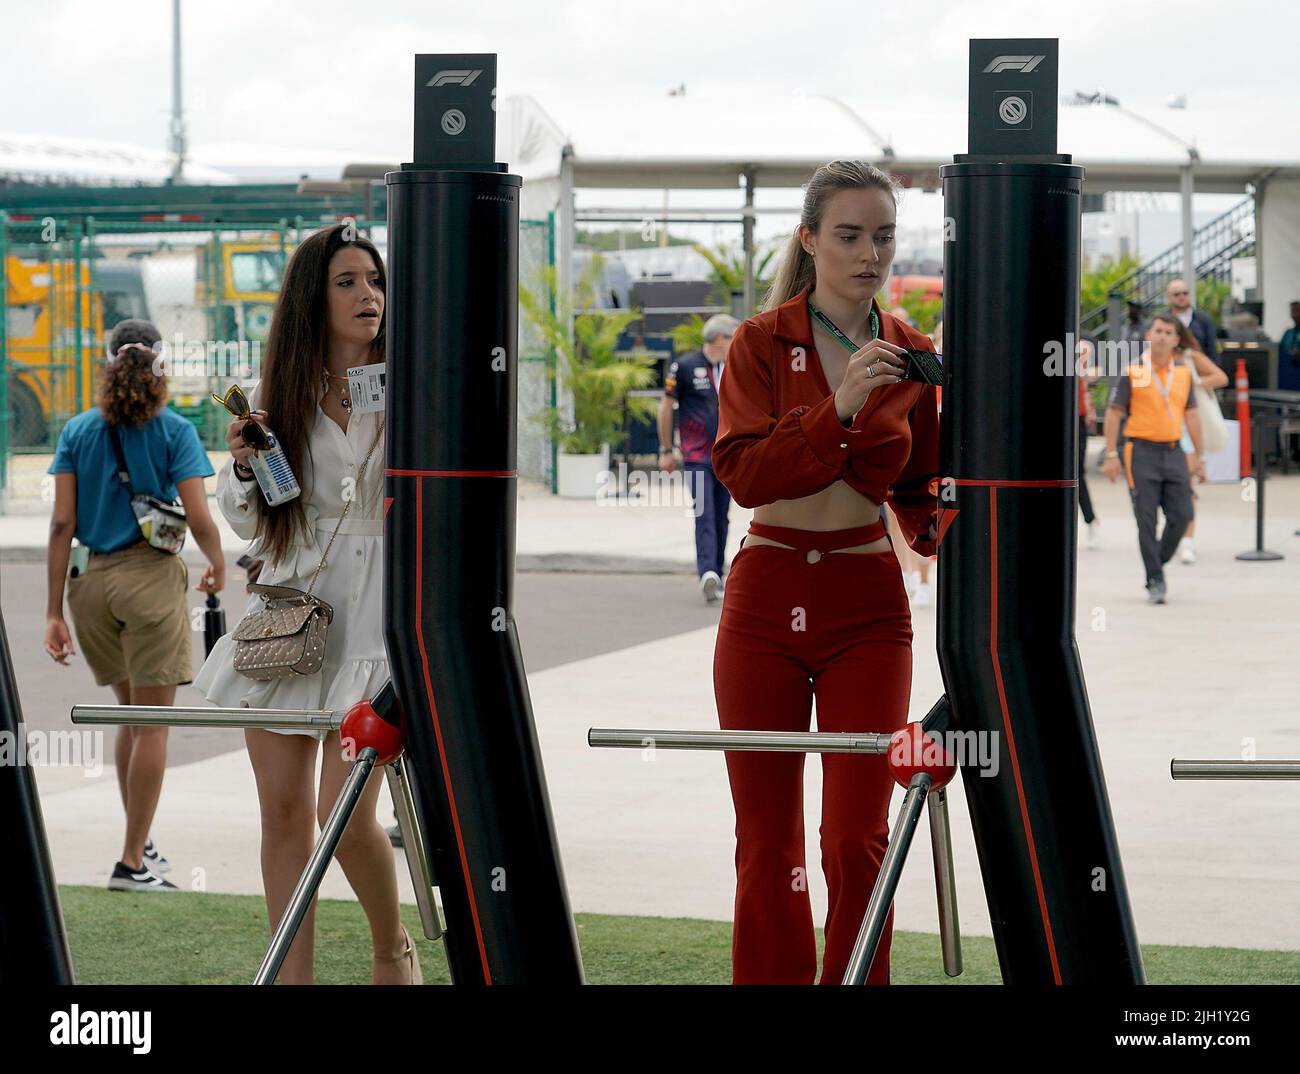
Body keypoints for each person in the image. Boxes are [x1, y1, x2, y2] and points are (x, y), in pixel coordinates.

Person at [711, 160, 939, 985]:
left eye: (882, 235)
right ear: (810, 240)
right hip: (765, 601)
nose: (868, 251)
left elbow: (925, 492)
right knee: (766, 840)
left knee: (855, 836)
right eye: (848, 234)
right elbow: (742, 472)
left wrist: (980, 532)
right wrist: (837, 406)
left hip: (870, 607)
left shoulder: (915, 355)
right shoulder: (758, 341)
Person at [192, 224, 418, 985]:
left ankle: (393, 947)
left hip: (379, 614)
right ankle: (294, 980)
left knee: (349, 811)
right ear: (312, 299)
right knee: (284, 814)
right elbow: (249, 524)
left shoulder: (410, 382)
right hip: (293, 612)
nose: (370, 297)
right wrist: (246, 467)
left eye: (375, 281)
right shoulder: (274, 396)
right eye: (348, 282)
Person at [44, 318, 224, 892]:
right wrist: (217, 563)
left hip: (88, 584)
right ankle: (131, 863)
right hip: (148, 579)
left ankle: (138, 838)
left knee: (130, 717)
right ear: (160, 363)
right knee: (153, 723)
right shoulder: (173, 429)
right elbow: (197, 517)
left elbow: (61, 525)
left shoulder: (76, 430)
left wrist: (53, 611)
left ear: (107, 361)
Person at [1102, 314, 1206, 604]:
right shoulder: (1135, 372)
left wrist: (1200, 456)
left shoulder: (1183, 374)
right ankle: (1155, 579)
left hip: (1174, 451)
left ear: (1175, 340)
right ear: (1149, 335)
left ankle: (1156, 562)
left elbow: (1193, 415)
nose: (1162, 336)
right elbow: (1114, 413)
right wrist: (1111, 453)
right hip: (1141, 452)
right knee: (1146, 519)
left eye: (1168, 332)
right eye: (1157, 330)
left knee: (1183, 514)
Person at [657, 314, 738, 603]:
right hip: (696, 457)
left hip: (727, 456)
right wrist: (666, 449)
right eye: (734, 337)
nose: (737, 343)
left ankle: (717, 572)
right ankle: (707, 572)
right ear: (720, 339)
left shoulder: (735, 367)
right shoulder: (685, 366)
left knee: (722, 517)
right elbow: (666, 408)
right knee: (704, 512)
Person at [1169, 318, 1228, 565]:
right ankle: (1176, 534)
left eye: (1169, 332)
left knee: (1187, 487)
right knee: (1169, 489)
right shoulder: (1150, 360)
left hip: (1188, 429)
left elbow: (1221, 377)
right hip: (1163, 430)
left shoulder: (1191, 357)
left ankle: (1188, 541)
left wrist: (1196, 384)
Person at [1078, 337, 1101, 548]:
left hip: (1077, 418)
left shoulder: (1082, 345)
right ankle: (1090, 518)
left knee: (1077, 472)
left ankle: (1090, 518)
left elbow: (1088, 376)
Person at [1166, 279, 1219, 363]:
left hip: (1200, 369)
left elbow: (1212, 350)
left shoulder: (1204, 319)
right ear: (1169, 298)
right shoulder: (1164, 320)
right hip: (1169, 369)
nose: (1182, 297)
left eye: (1185, 293)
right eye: (1177, 294)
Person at [1278, 300, 1300, 393]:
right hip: (1287, 376)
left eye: (1298, 310)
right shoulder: (1288, 333)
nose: (1295, 314)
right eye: (1292, 311)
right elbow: (1280, 350)